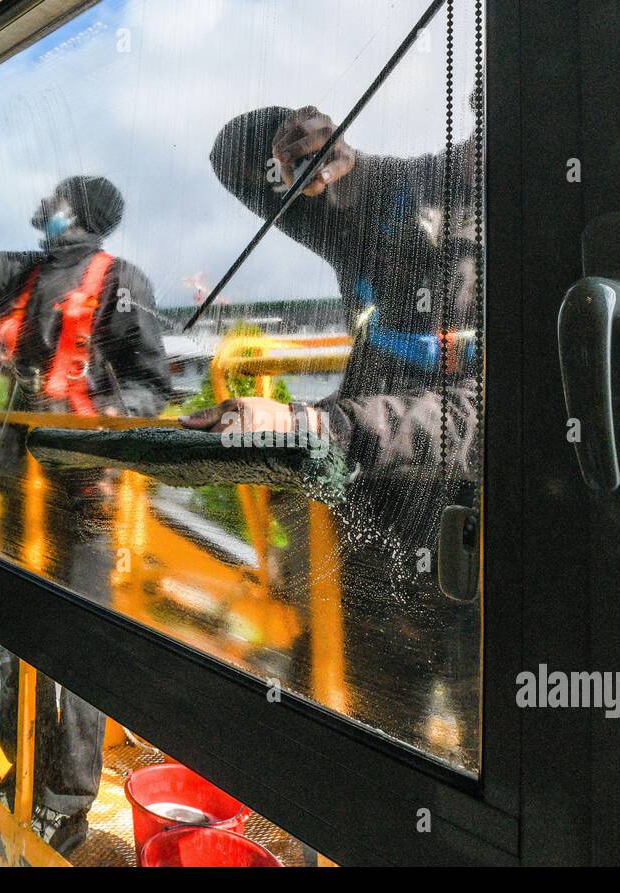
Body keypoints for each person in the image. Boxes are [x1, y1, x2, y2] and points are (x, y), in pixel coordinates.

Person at [181, 104, 483, 763]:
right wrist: (302, 144)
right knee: (354, 748)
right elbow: (230, 155)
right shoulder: (397, 190)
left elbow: (481, 419)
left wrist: (317, 425)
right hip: (373, 536)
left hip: (479, 557)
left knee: (492, 769)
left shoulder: (552, 225)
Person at [0, 175, 172, 851]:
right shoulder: (17, 276)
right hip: (17, 492)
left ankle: (65, 806)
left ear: (76, 212)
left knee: (72, 650)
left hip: (81, 498)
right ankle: (25, 771)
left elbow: (151, 386)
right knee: (17, 634)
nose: (41, 204)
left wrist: (96, 418)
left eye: (54, 198)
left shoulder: (118, 281)